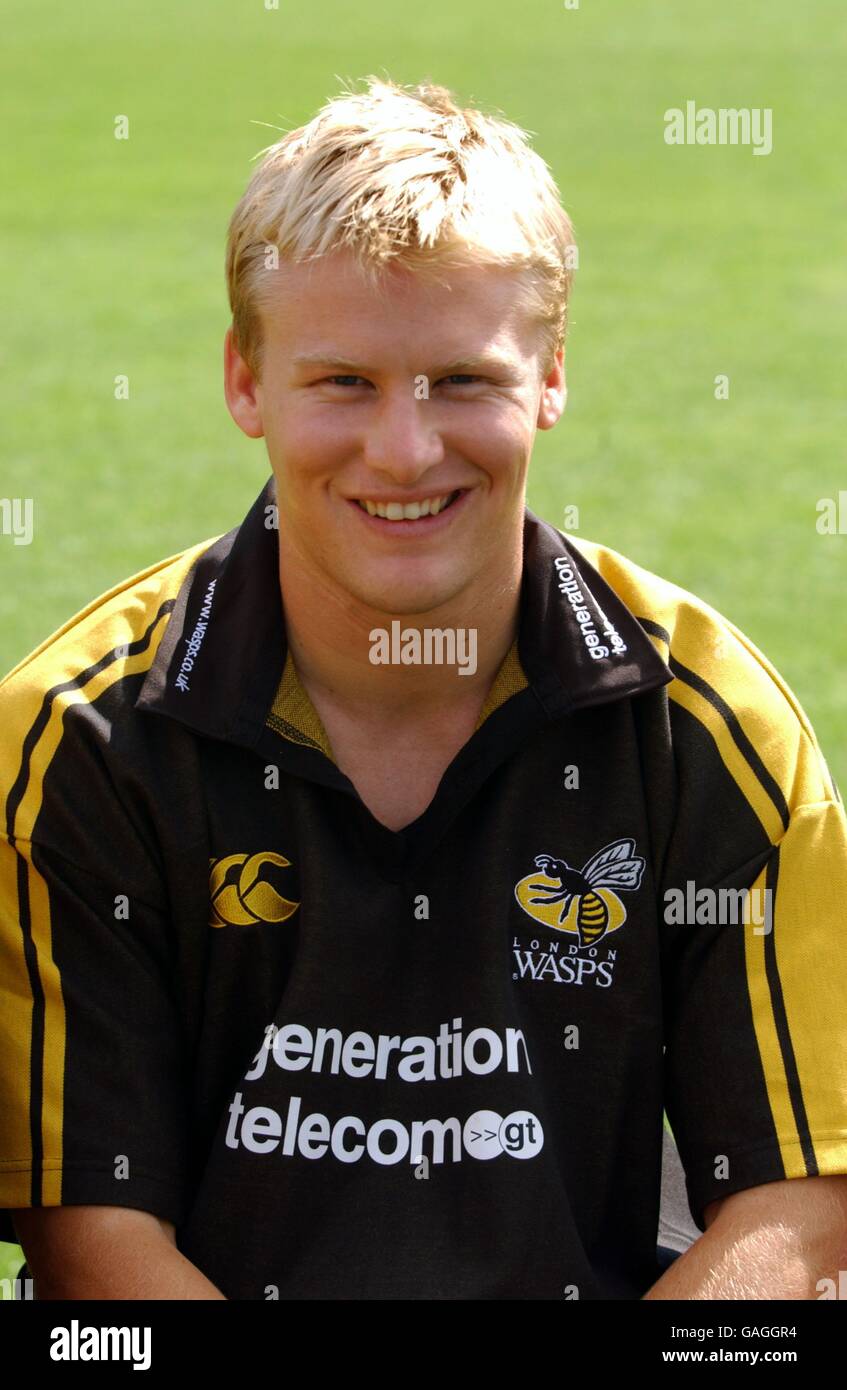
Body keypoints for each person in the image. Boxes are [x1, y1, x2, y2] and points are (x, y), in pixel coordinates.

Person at [1, 75, 846, 1301]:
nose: (404, 449)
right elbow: (89, 1235)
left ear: (551, 376)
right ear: (245, 381)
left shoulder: (709, 720)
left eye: (462, 381)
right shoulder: (76, 736)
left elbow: (801, 1192)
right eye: (343, 381)